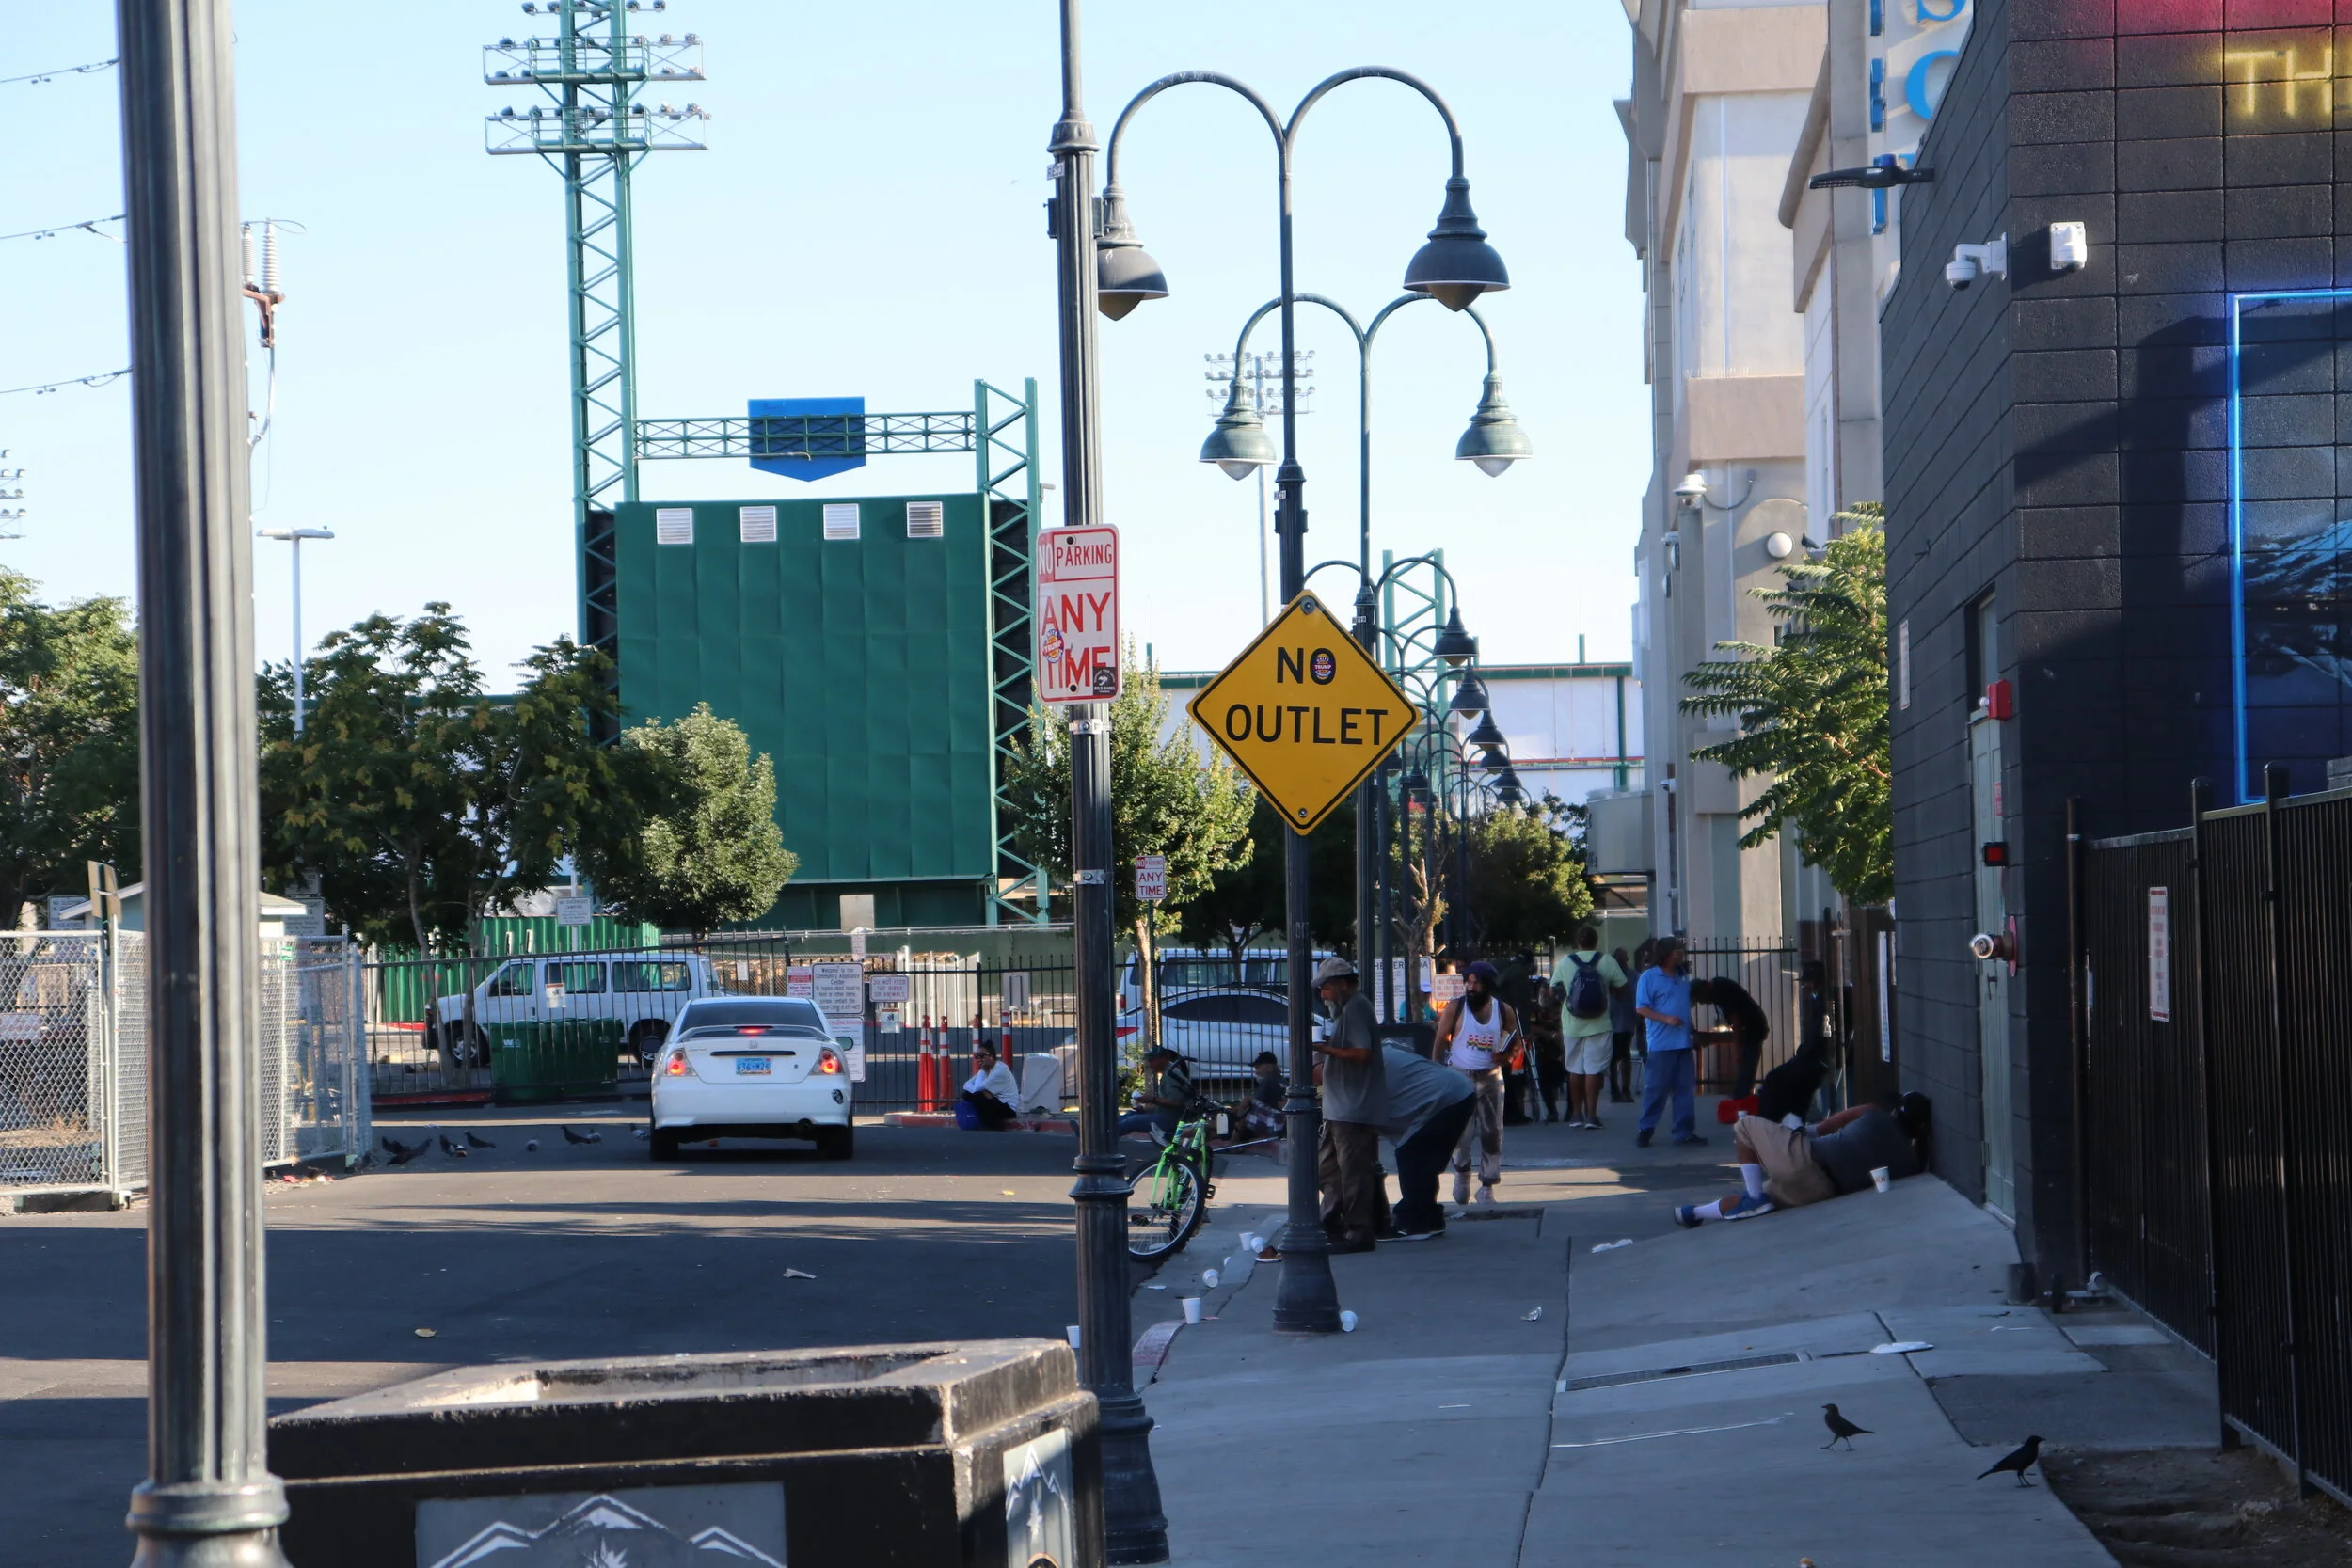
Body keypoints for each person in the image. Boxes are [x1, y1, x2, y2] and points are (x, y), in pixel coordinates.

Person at [1675, 1094, 1932, 1225]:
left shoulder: (1875, 1114)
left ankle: (1750, 1198)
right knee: (1766, 1199)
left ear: (1897, 1110)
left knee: (1744, 1126)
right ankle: (1695, 1214)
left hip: (1808, 1156)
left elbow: (1831, 1124)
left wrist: (1803, 1131)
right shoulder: (1910, 1164)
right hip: (1823, 1190)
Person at [1311, 957, 1386, 1253]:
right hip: (1340, 1107)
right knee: (1327, 1168)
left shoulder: (1356, 1007)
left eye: (1326, 989)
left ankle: (1358, 1231)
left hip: (1352, 1108)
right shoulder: (1347, 1011)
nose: (1323, 996)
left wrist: (1326, 1049)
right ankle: (1334, 1220)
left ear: (1343, 984)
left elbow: (1361, 1053)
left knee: (1352, 1171)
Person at [1434, 959, 1520, 1206]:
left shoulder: (1503, 1010)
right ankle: (1461, 1174)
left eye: (1477, 983)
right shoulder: (1456, 1008)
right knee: (1461, 1133)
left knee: (1492, 1133)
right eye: (1469, 982)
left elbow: (1516, 1041)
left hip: (1491, 1078)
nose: (1471, 987)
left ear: (1488, 986)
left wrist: (1506, 1057)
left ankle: (1487, 1186)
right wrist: (1435, 1071)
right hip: (1460, 1077)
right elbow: (1440, 1041)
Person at [1375, 1041, 1477, 1239]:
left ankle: (1415, 1224)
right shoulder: (1382, 1051)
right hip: (1459, 1091)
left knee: (1411, 1154)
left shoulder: (1363, 1066)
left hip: (1447, 1097)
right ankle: (1430, 1219)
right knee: (1424, 1158)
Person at [1552, 927, 1629, 1130]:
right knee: (1594, 1070)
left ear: (1577, 942)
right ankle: (1592, 1116)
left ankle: (1576, 1114)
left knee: (1575, 1069)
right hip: (1600, 1023)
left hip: (1572, 1025)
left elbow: (1554, 990)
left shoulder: (1565, 963)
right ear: (1596, 941)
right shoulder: (1607, 961)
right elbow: (1623, 987)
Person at [1633, 937, 1705, 1148]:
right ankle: (1646, 1129)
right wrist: (1666, 1019)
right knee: (1656, 1089)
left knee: (1685, 1089)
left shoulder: (1682, 977)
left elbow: (1683, 1008)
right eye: (1676, 950)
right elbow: (1641, 1008)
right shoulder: (1649, 977)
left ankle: (1683, 1131)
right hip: (1661, 1044)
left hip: (1682, 1042)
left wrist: (1692, 1031)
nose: (1680, 953)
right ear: (1665, 954)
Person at [1692, 974, 1772, 1101]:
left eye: (1700, 999)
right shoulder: (1717, 986)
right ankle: (1742, 1100)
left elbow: (1736, 1023)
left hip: (1753, 1028)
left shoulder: (1721, 992)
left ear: (1704, 990)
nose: (1702, 1003)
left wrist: (1738, 1052)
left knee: (1746, 1069)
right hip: (1753, 1026)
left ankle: (1741, 1102)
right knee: (1746, 1070)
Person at [1116, 1044, 1195, 1140]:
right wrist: (1144, 1108)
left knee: (1132, 1121)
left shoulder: (1171, 1075)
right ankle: (1106, 1131)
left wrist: (1152, 1099)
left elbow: (1176, 1102)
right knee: (1130, 1115)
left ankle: (1105, 1140)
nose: (1149, 1063)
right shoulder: (1168, 1072)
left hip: (1170, 1121)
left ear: (1164, 1059)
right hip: (1164, 1115)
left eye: (1152, 1060)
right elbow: (1163, 1104)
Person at [1524, 977, 1567, 1124]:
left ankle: (1573, 1110)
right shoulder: (1534, 1008)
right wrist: (1551, 1035)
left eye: (1547, 991)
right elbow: (1529, 1026)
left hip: (1564, 1046)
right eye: (1542, 990)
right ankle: (1551, 1111)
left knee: (1572, 1074)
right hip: (1543, 1047)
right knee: (1543, 1076)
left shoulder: (1564, 1006)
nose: (1544, 993)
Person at [1607, 944, 1641, 1104]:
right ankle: (1615, 1090)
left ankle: (1625, 1090)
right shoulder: (1609, 976)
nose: (1622, 961)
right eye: (1619, 958)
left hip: (1627, 1020)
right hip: (1611, 1021)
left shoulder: (1633, 976)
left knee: (1625, 1055)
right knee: (1613, 1057)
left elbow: (1638, 995)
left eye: (1624, 958)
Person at [960, 1042, 1020, 1130]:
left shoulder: (1000, 1070)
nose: (979, 1059)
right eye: (977, 1056)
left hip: (1008, 1108)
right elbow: (966, 1085)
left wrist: (982, 1073)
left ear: (991, 1056)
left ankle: (992, 1125)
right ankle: (987, 1123)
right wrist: (983, 1091)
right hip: (996, 1103)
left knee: (978, 1097)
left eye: (982, 1056)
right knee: (967, 1095)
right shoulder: (987, 1069)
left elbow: (977, 1089)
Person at [1233, 1050, 1286, 1141]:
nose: (1256, 1072)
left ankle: (1233, 1142)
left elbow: (1251, 1105)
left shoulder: (1268, 1082)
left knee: (1247, 1101)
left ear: (1269, 1067)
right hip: (1282, 1122)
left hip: (1275, 1124)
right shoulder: (1282, 1080)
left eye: (1258, 1068)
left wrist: (1234, 1111)